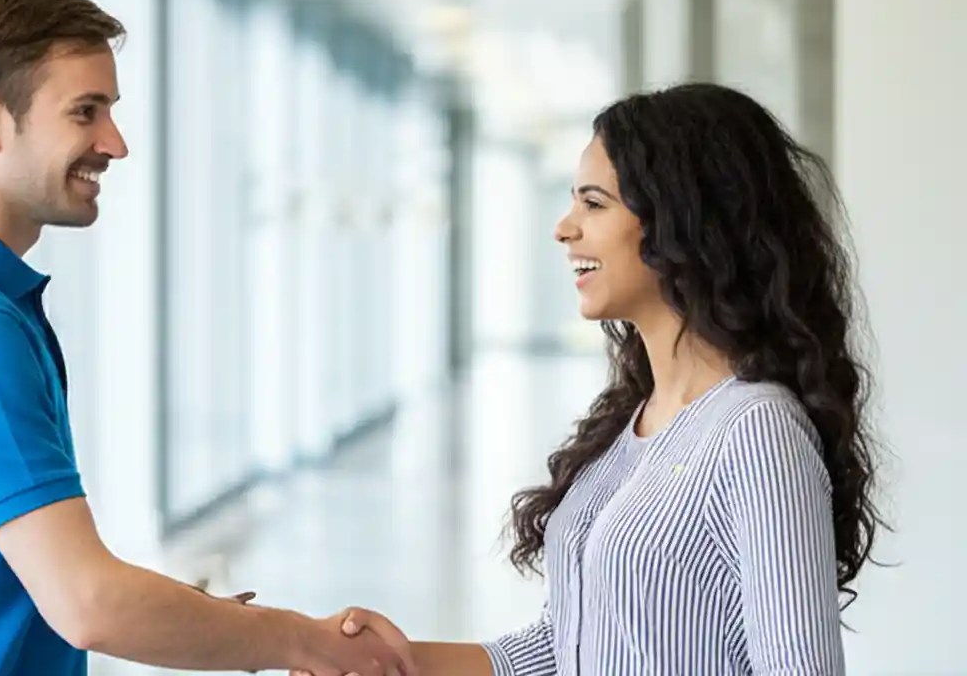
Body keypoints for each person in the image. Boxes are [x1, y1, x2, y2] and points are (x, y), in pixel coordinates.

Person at [0, 0, 415, 676]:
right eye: (85, 111)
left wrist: (199, 616)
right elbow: (86, 602)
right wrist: (297, 640)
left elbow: (26, 573)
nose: (116, 142)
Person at [324, 83, 883, 675]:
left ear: (683, 221)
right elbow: (564, 646)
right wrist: (387, 663)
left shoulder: (756, 431)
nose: (564, 228)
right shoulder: (638, 419)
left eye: (594, 204)